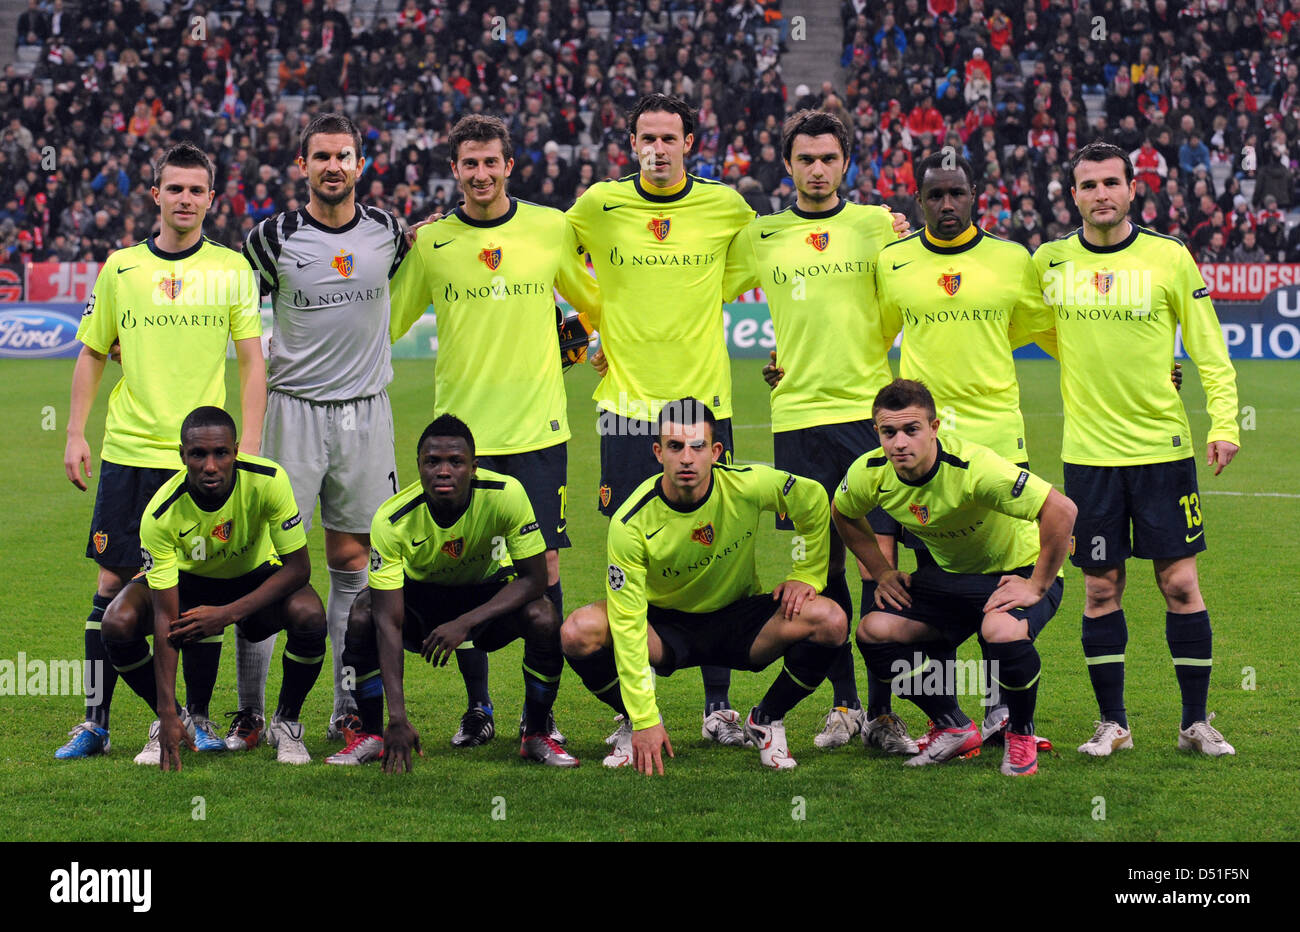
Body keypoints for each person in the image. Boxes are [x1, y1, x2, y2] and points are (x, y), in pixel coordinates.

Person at [389, 114, 599, 750]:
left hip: (537, 431)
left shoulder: (550, 228)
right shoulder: (433, 244)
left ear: (510, 165)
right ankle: (477, 708)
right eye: (468, 164)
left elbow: (595, 299)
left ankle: (540, 720)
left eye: (491, 162)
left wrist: (588, 342)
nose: (481, 174)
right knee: (466, 570)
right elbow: (385, 322)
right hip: (461, 443)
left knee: (546, 567)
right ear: (454, 171)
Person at [57, 142, 266, 759]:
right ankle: (96, 723)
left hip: (198, 459)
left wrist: (247, 442)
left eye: (196, 190)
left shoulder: (231, 269)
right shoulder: (120, 268)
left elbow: (253, 362)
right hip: (128, 449)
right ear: (155, 195)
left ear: (210, 198)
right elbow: (93, 352)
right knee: (110, 580)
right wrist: (74, 432)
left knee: (195, 589)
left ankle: (192, 718)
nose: (185, 199)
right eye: (174, 188)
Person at [1032, 141, 1241, 757]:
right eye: (1088, 184)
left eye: (1111, 182)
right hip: (1090, 456)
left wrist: (1223, 422)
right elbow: (1021, 324)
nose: (1101, 193)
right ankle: (1112, 724)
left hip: (1163, 450)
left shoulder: (1169, 258)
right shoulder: (1049, 262)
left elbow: (1209, 348)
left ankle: (1195, 723)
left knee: (1180, 584)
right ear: (1074, 195)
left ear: (1131, 189)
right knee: (1101, 589)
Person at [565, 93, 756, 744]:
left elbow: (755, 265)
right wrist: (595, 316)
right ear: (631, 142)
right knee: (629, 553)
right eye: (647, 137)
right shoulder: (599, 204)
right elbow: (554, 251)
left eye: (669, 138)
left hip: (705, 407)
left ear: (689, 144)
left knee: (715, 548)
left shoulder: (726, 206)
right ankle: (630, 711)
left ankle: (718, 707)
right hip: (625, 407)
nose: (657, 147)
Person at [723, 109, 914, 753]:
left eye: (828, 158)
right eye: (805, 158)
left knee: (879, 563)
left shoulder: (875, 225)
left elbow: (911, 298)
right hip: (798, 416)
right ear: (789, 165)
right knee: (822, 564)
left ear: (846, 163)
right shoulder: (763, 234)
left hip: (867, 415)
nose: (816, 169)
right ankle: (846, 706)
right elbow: (701, 289)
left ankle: (885, 713)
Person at [235, 113, 409, 750]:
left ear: (361, 164)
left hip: (366, 412)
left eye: (344, 156)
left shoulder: (388, 232)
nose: (332, 166)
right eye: (320, 157)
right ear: (302, 166)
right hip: (292, 411)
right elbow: (230, 313)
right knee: (265, 563)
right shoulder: (270, 238)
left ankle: (345, 705)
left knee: (352, 559)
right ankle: (251, 713)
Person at [873, 149, 1057, 745]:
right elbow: (872, 336)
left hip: (999, 443)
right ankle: (947, 719)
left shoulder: (1011, 260)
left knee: (1005, 582)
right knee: (934, 583)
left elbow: (1049, 333)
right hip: (924, 453)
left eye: (956, 193)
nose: (946, 205)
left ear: (975, 193)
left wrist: (1151, 370)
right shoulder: (894, 261)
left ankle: (1005, 711)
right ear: (918, 200)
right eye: (935, 196)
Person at [561, 398, 847, 773]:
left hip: (739, 621)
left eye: (697, 447)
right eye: (675, 446)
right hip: (664, 628)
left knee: (831, 620)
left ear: (715, 452)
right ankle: (633, 723)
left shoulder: (747, 484)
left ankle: (766, 719)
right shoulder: (630, 522)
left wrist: (807, 574)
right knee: (578, 631)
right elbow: (629, 623)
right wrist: (645, 715)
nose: (686, 458)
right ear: (657, 452)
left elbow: (811, 499)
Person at [832, 380, 1077, 776]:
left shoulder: (974, 468)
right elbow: (842, 511)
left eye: (911, 430)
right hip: (954, 579)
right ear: (877, 432)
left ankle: (1020, 733)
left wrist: (1037, 585)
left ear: (934, 427)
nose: (899, 442)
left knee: (1000, 631)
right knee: (874, 629)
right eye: (888, 432)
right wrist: (880, 571)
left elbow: (1061, 510)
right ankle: (954, 726)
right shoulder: (871, 471)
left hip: (1015, 572)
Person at [327, 415, 578, 769]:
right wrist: (397, 716)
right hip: (421, 603)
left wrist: (466, 622)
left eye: (455, 462)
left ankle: (536, 733)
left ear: (473, 467)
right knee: (364, 611)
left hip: (486, 597)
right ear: (419, 466)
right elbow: (388, 619)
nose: (443, 471)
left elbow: (535, 579)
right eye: (432, 462)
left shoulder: (506, 495)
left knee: (543, 614)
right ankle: (375, 734)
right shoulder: (392, 518)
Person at [100, 406, 326, 768]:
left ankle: (287, 723)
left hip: (254, 578)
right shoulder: (161, 514)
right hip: (190, 583)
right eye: (198, 454)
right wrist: (167, 709)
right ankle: (175, 719)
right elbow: (165, 616)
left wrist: (227, 614)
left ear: (235, 451)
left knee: (309, 613)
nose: (210, 465)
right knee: (117, 621)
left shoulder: (269, 479)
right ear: (182, 455)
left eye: (221, 453)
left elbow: (299, 569)